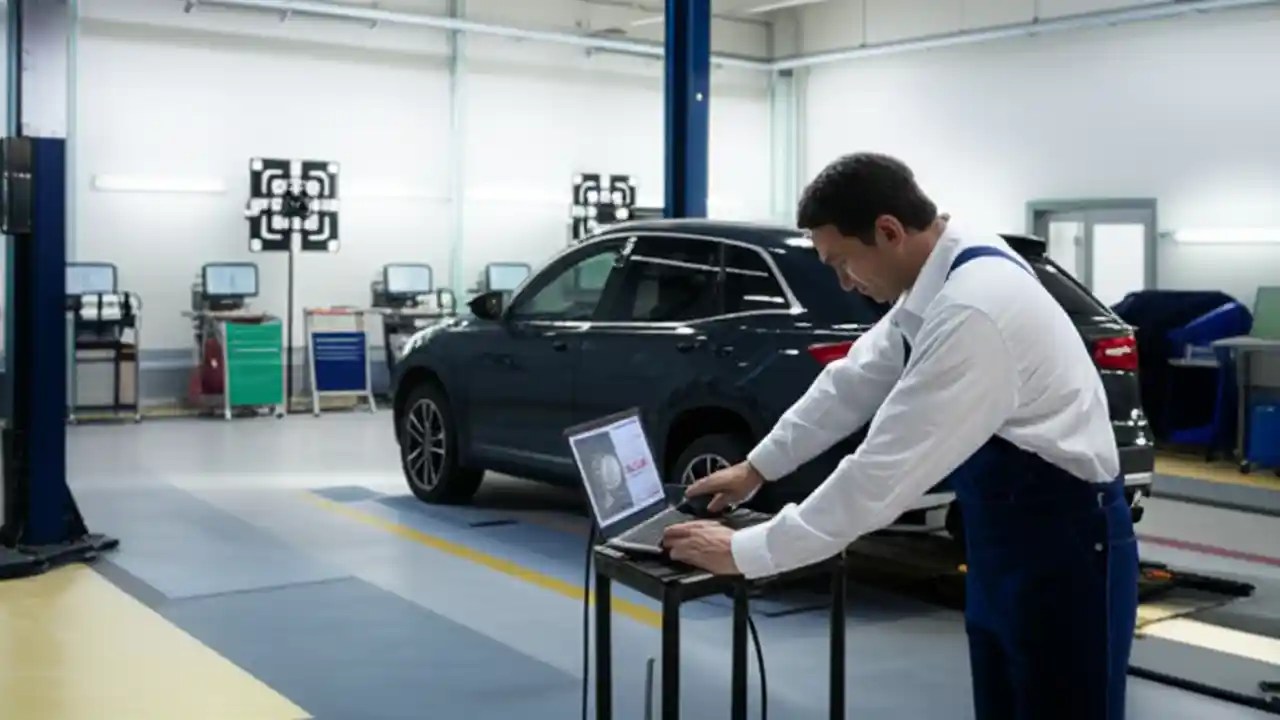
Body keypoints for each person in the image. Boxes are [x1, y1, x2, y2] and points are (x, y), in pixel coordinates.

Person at [660, 152, 1139, 720]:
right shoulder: (940, 272)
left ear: (888, 231)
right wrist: (758, 467)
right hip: (1005, 540)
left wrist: (746, 552)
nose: (845, 282)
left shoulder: (974, 309)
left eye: (842, 262)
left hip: (1066, 549)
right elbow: (853, 380)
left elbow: (880, 475)